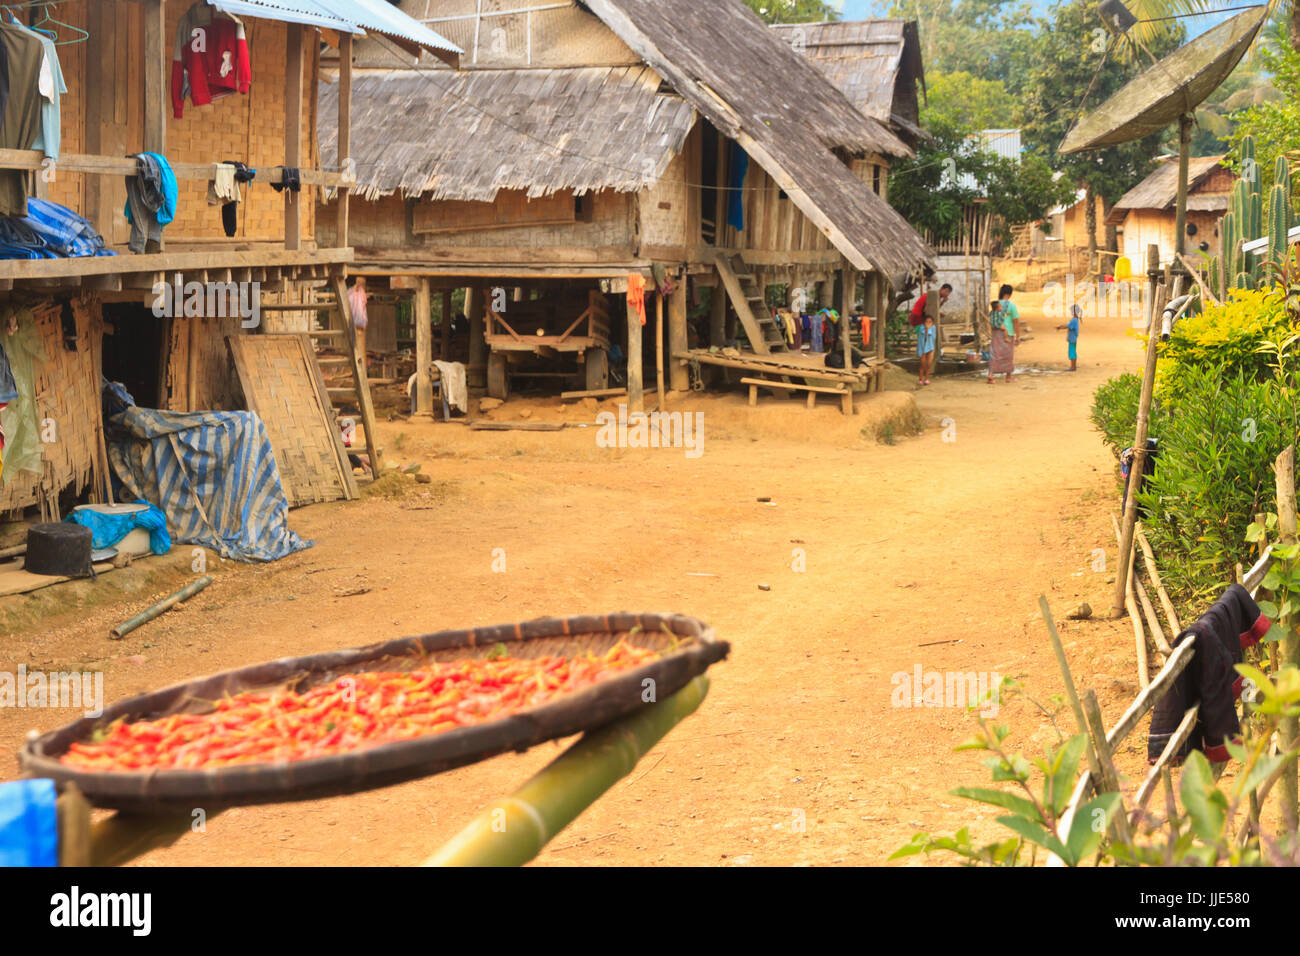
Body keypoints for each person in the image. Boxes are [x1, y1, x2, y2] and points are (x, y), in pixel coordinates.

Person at [987, 283, 1018, 384]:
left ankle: (990, 375)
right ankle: (1008, 377)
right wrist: (1018, 335)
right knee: (1008, 355)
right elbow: (1015, 321)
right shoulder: (1011, 305)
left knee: (994, 353)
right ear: (1009, 294)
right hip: (1008, 332)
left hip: (996, 331)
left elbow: (992, 317)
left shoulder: (995, 304)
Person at [1057, 303, 1081, 371]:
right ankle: (1073, 366)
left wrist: (1060, 327)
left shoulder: (1074, 320)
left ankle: (1073, 367)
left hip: (1072, 338)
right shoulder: (1075, 319)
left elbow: (1067, 326)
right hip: (1073, 338)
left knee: (1072, 352)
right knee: (1073, 352)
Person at [916, 312, 937, 386]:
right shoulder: (921, 328)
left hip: (930, 348)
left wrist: (929, 329)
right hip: (922, 348)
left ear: (932, 322)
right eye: (926, 321)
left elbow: (933, 338)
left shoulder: (934, 328)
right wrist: (926, 329)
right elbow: (923, 338)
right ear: (924, 322)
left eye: (930, 322)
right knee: (922, 365)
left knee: (929, 364)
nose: (928, 323)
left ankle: (927, 379)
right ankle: (920, 379)